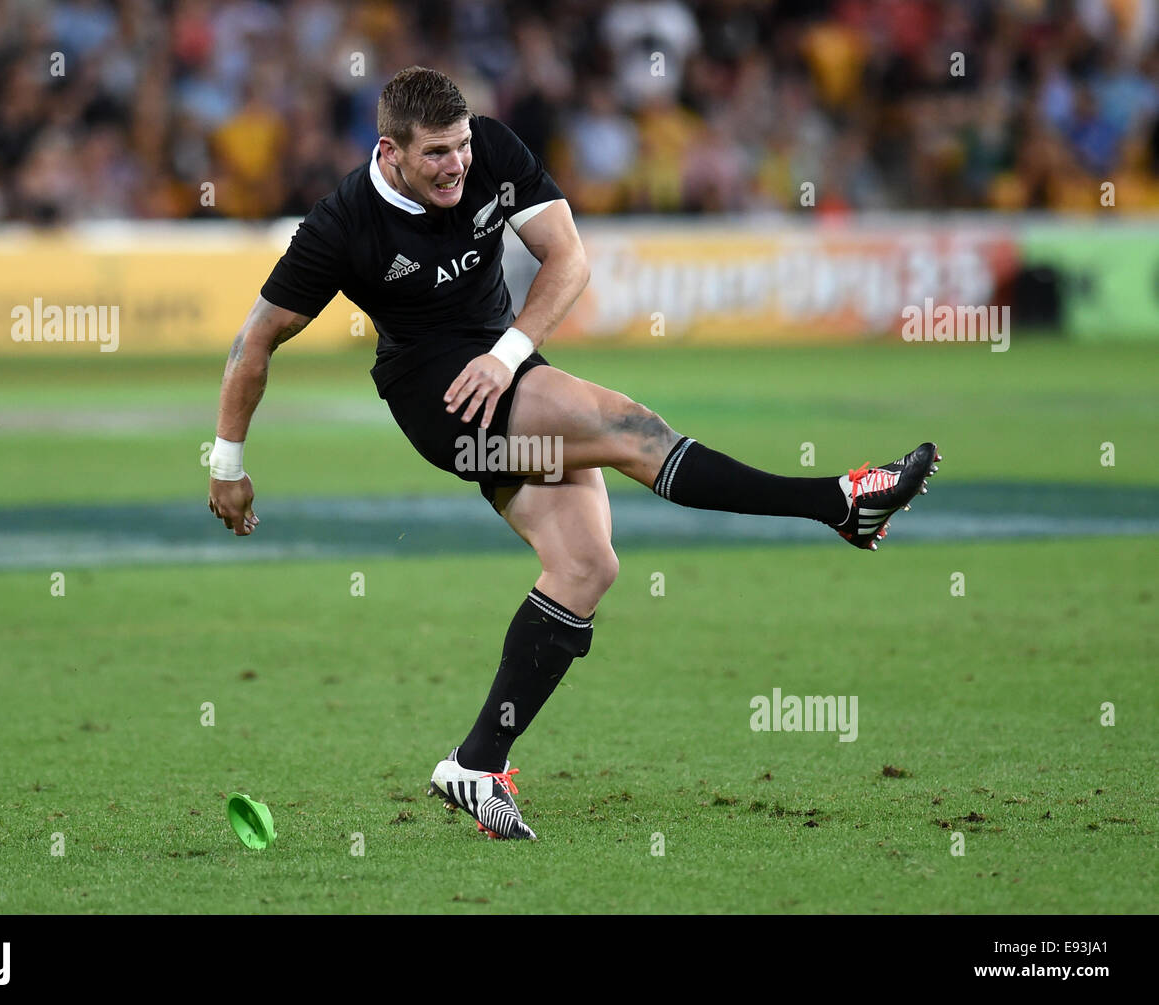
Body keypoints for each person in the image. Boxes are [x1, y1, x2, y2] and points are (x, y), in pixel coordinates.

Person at [207, 66, 940, 841]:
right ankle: (841, 502)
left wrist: (509, 350)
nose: (456, 164)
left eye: (460, 146)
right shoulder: (341, 226)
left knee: (588, 567)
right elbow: (254, 342)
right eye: (435, 154)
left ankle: (476, 763)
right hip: (439, 397)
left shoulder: (489, 147)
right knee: (631, 428)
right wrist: (228, 466)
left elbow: (570, 259)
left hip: (506, 369)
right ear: (389, 152)